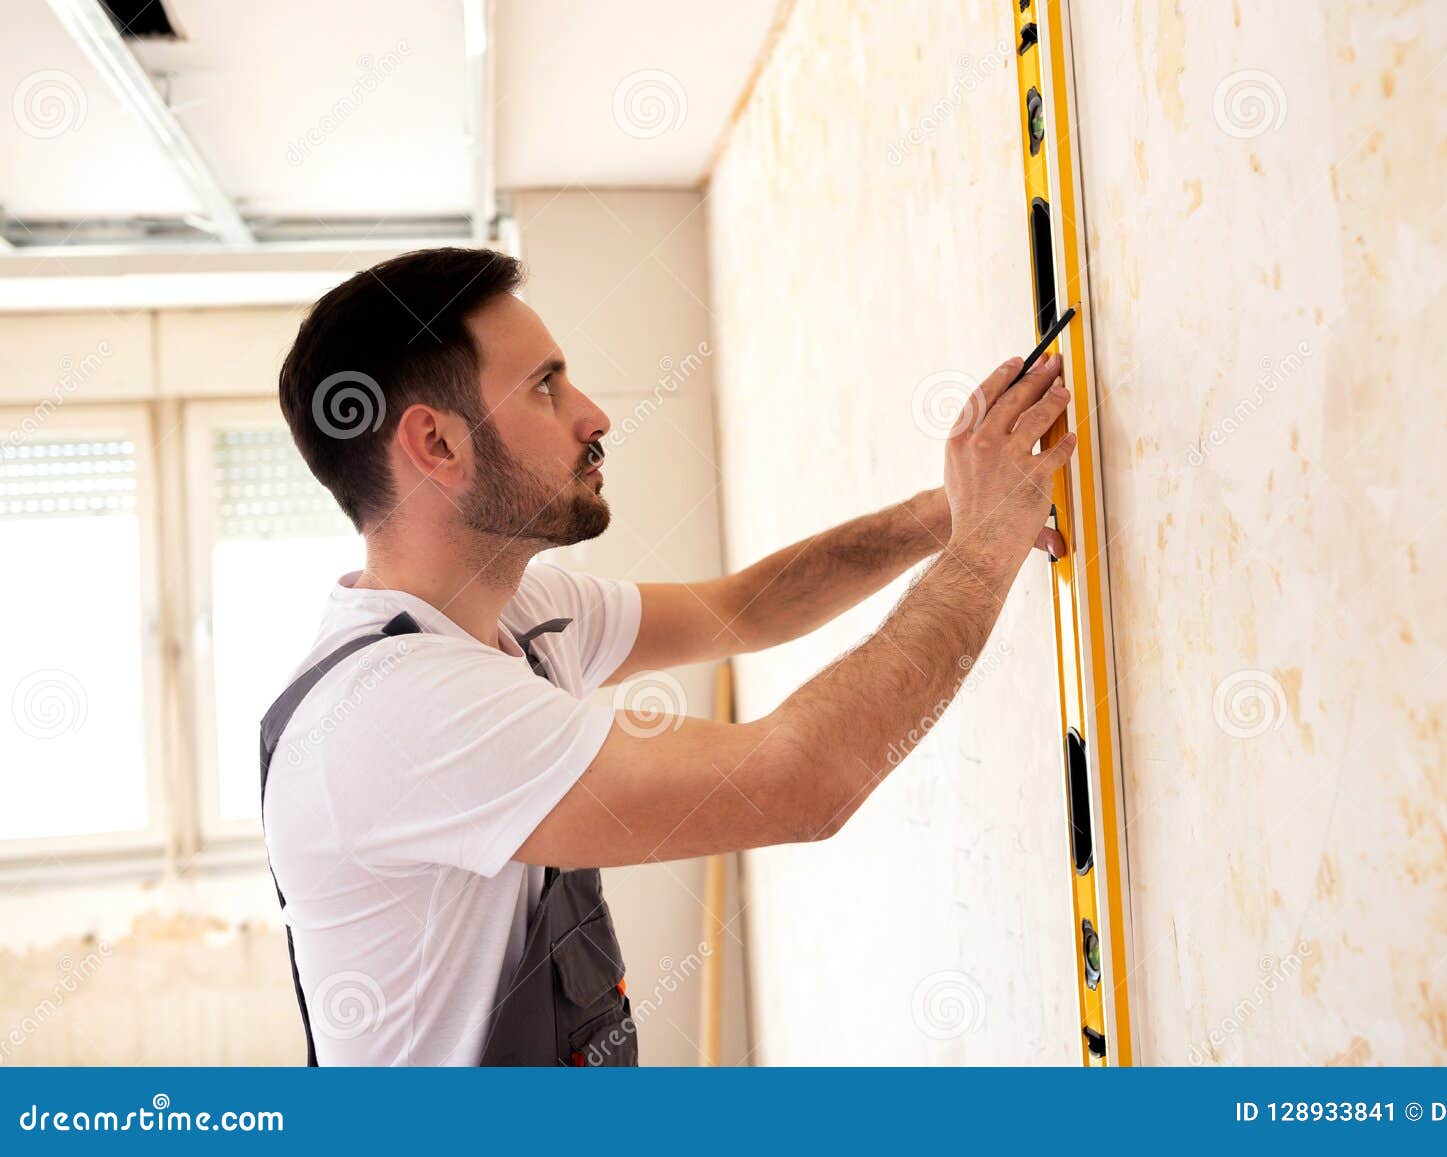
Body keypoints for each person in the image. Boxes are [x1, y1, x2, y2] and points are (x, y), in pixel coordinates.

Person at [263, 246, 1075, 1066]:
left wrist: (949, 512)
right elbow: (803, 781)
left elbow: (743, 609)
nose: (594, 415)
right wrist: (983, 548)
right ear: (437, 444)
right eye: (545, 385)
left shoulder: (514, 608)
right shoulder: (394, 711)